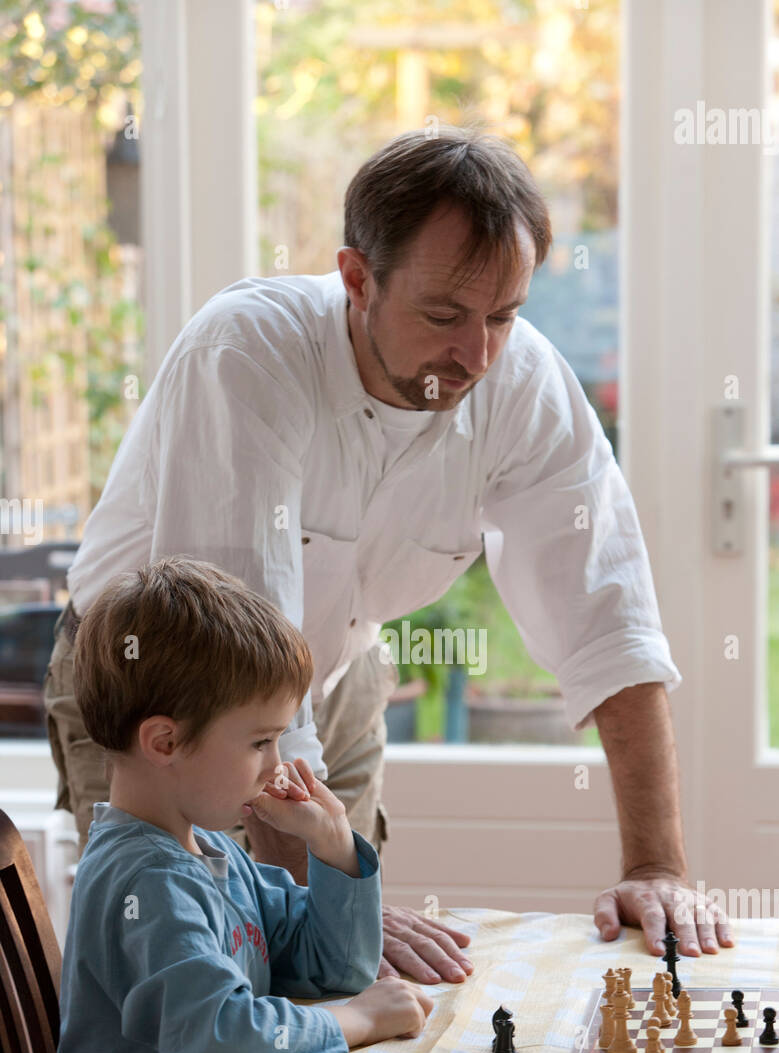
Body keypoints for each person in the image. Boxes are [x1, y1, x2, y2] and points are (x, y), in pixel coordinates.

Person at [46, 123, 731, 968]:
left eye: (504, 316)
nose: (477, 354)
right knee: (207, 968)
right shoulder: (249, 354)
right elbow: (229, 669)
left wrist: (656, 867)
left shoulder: (525, 386)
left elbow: (611, 621)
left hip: (336, 669)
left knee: (338, 967)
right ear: (357, 278)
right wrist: (328, 910)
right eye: (444, 315)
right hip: (157, 690)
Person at [17, 557, 432, 1053]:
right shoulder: (146, 881)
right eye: (259, 742)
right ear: (166, 742)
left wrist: (333, 852)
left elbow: (330, 967)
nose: (278, 767)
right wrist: (356, 1022)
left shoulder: (209, 853)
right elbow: (221, 1030)